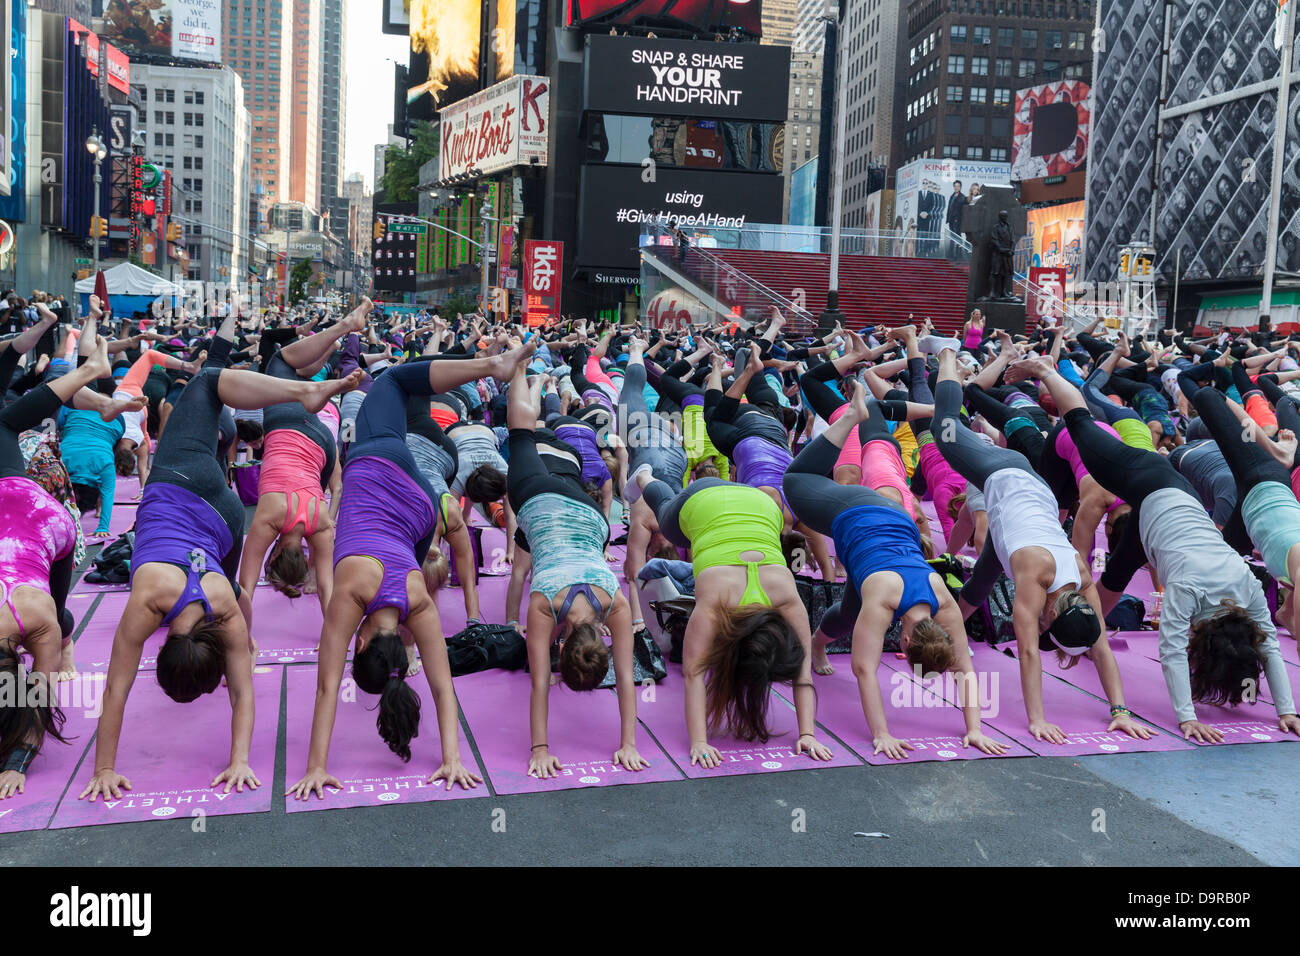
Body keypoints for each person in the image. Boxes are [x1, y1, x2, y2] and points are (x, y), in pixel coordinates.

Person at [80, 358, 362, 802]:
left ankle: (285, 402)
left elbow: (238, 691)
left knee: (215, 392)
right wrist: (239, 761)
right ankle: (271, 408)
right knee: (208, 381)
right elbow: (117, 687)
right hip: (193, 487)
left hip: (226, 524)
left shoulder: (223, 606)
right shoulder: (149, 598)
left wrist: (240, 759)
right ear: (168, 645)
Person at [287, 346, 533, 800]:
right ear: (360, 643)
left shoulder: (418, 604)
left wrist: (452, 758)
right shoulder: (350, 595)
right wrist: (314, 767)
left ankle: (468, 364)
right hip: (382, 469)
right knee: (395, 381)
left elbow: (441, 688)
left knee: (417, 555)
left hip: (421, 513)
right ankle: (488, 367)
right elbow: (326, 686)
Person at [1018, 353, 1300, 744]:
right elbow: (1169, 650)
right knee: (1081, 426)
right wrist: (1186, 718)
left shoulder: (1248, 586)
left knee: (1116, 578)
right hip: (1150, 484)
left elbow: (1268, 645)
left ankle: (1084, 634)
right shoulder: (1189, 591)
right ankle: (1046, 369)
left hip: (1162, 516)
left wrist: (1286, 711)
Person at [931, 348, 1152, 743]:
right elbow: (1029, 653)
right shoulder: (1037, 581)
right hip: (1007, 477)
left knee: (981, 582)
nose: (1042, 628)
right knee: (943, 426)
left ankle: (938, 632)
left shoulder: (1082, 588)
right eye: (1047, 625)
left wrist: (1120, 711)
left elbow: (1100, 647)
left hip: (1032, 503)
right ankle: (947, 361)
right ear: (1050, 613)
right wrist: (1036, 720)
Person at [784, 381, 1009, 757]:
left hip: (895, 522)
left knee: (848, 611)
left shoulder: (942, 598)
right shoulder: (889, 601)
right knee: (794, 480)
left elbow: (966, 671)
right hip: (855, 510)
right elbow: (864, 671)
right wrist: (881, 734)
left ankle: (817, 645)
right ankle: (852, 418)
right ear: (903, 645)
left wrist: (974, 730)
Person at [625, 463, 834, 768]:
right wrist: (698, 742)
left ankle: (650, 480)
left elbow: (800, 672)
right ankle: (644, 477)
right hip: (703, 499)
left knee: (691, 532)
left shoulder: (785, 597)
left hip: (762, 504)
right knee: (668, 518)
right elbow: (693, 673)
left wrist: (808, 734)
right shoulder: (717, 604)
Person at [504, 366, 648, 778]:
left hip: (589, 517)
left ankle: (519, 368)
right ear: (561, 644)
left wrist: (628, 743)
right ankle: (514, 369)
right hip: (536, 501)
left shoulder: (615, 602)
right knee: (520, 436)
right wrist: (540, 750)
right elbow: (540, 682)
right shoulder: (545, 605)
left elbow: (623, 678)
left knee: (525, 437)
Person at [0, 341, 119, 799]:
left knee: (55, 613)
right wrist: (17, 765)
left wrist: (17, 763)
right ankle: (89, 369)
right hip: (36, 511)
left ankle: (89, 369)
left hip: (36, 514)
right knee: (57, 609)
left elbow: (39, 696)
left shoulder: (36, 624)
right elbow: (41, 694)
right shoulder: (38, 622)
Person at [237, 304, 368, 622]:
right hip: (291, 427)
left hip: (324, 444)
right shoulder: (269, 519)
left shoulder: (321, 524)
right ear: (278, 552)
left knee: (288, 367)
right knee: (279, 361)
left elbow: (326, 586)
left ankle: (327, 367)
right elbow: (245, 586)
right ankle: (338, 339)